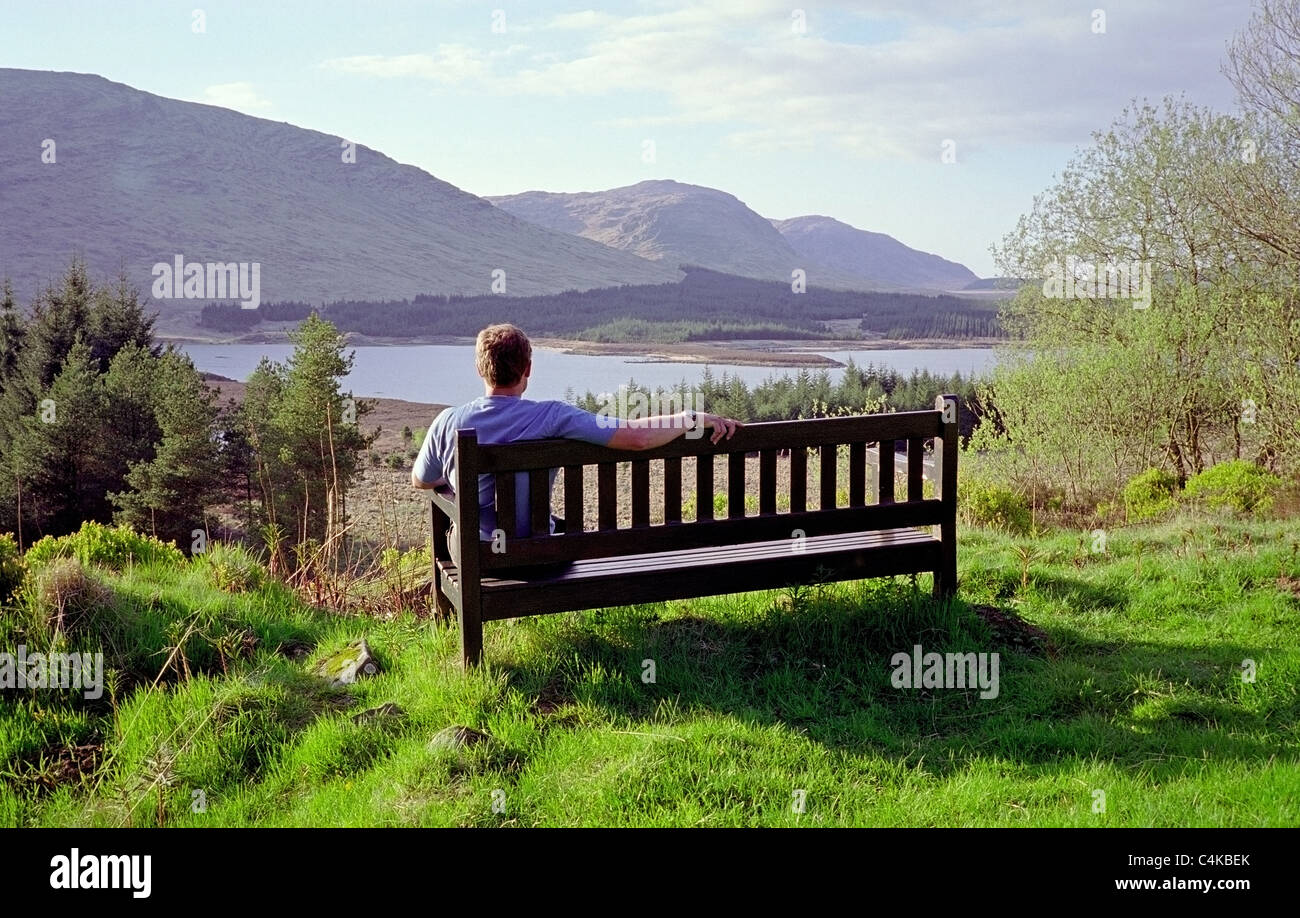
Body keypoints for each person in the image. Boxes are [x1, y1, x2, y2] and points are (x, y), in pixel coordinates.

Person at [411, 323, 740, 546]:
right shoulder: (554, 416)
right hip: (541, 553)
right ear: (528, 369)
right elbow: (637, 437)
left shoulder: (447, 421)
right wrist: (691, 417)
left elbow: (422, 481)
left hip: (478, 553)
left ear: (480, 369)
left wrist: (457, 491)